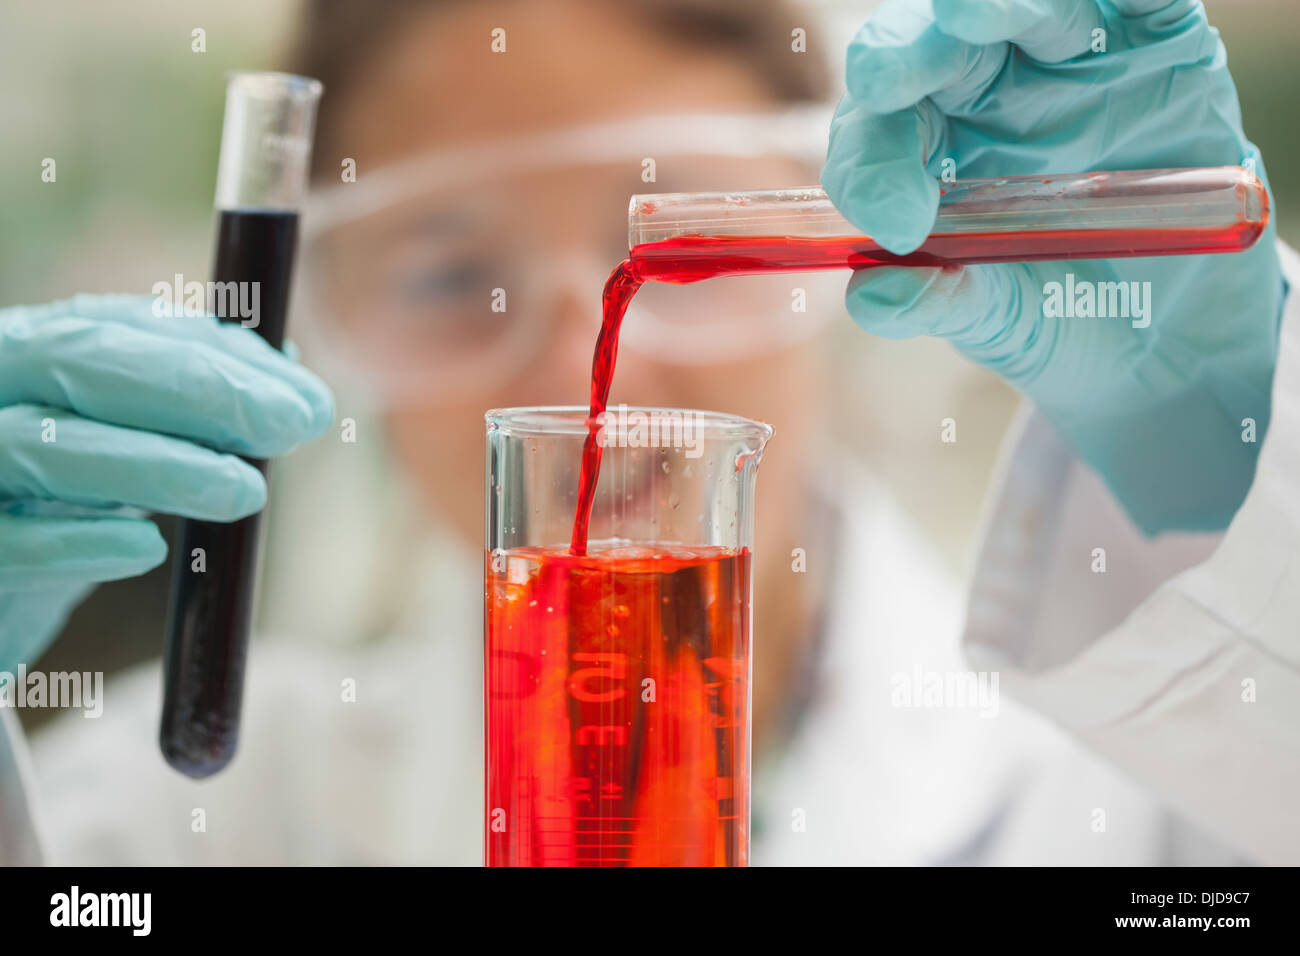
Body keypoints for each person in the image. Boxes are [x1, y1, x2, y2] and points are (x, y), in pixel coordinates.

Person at [0, 0, 1294, 865]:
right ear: (333, 322)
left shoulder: (1167, 789)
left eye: (682, 249)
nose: (583, 382)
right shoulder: (181, 823)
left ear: (841, 231)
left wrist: (1221, 443)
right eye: (454, 283)